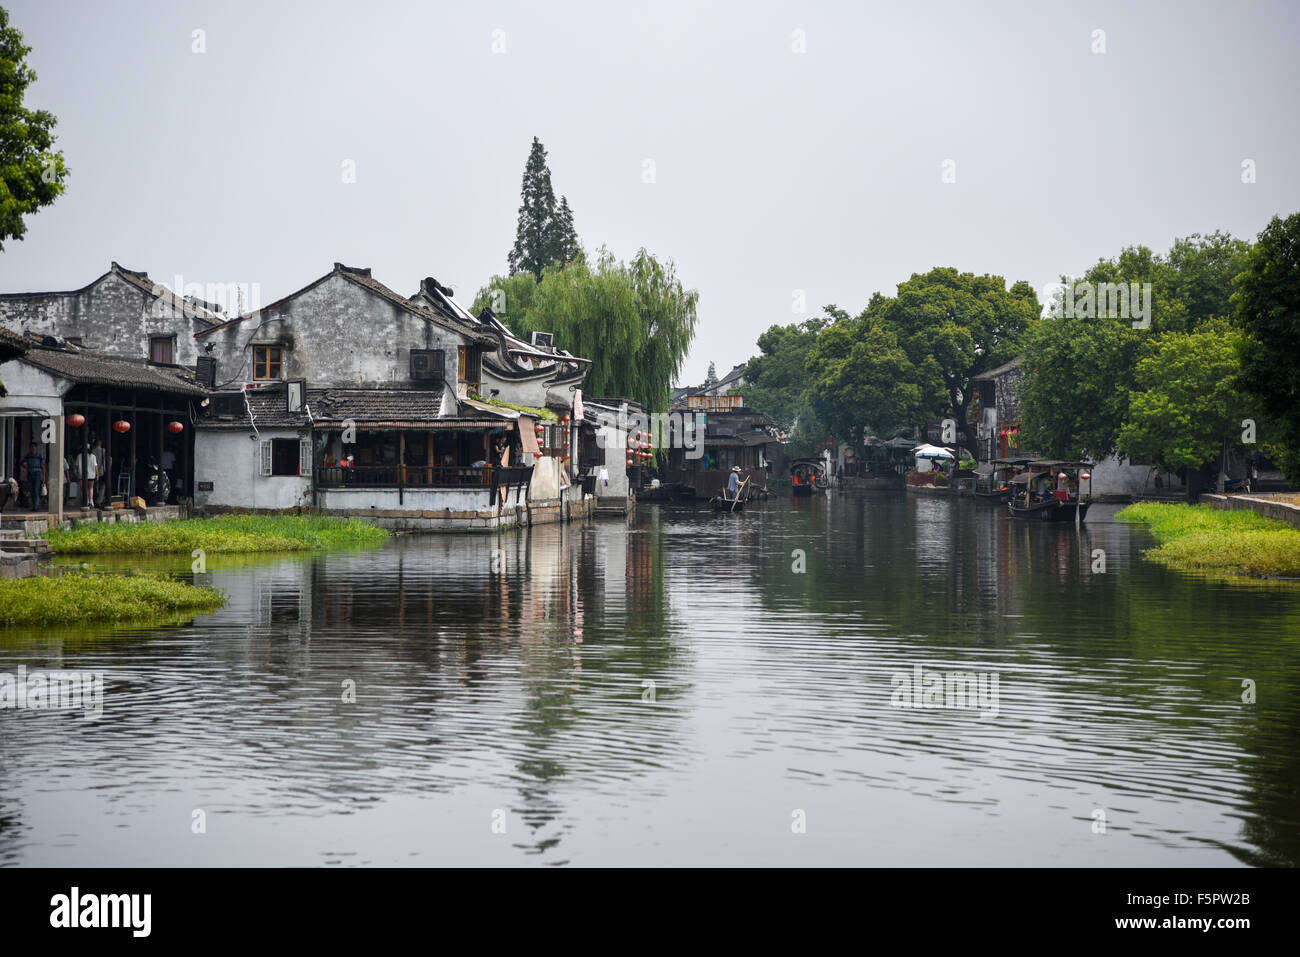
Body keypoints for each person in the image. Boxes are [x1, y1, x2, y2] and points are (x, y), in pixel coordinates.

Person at [22, 442, 45, 512]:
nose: (32, 448)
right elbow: (23, 463)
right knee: (31, 490)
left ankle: (36, 506)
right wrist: (24, 465)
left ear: (36, 447)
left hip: (37, 474)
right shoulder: (28, 455)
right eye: (31, 447)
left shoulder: (39, 456)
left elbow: (43, 467)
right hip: (30, 473)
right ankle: (34, 505)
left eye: (33, 447)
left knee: (36, 490)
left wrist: (44, 477)